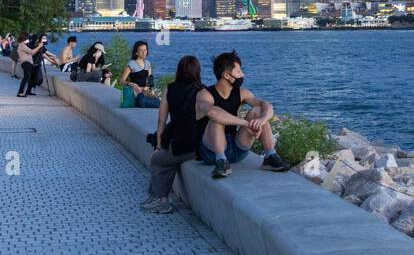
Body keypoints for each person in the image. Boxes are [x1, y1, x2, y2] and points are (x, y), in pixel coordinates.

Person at [195, 51, 291, 179]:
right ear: (227, 75)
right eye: (239, 72)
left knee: (257, 110)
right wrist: (246, 123)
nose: (243, 75)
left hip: (237, 149)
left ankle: (270, 156)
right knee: (217, 118)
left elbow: (266, 105)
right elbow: (213, 112)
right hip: (211, 152)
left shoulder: (242, 93)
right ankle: (221, 162)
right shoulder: (204, 94)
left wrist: (261, 120)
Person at [142, 55, 205, 213]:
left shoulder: (170, 88)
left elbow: (161, 122)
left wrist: (158, 145)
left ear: (179, 70)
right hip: (199, 145)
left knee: (157, 159)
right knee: (167, 160)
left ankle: (161, 200)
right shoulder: (203, 91)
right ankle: (157, 196)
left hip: (181, 144)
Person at [121, 40, 159, 108]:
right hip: (135, 94)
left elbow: (150, 79)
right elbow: (122, 81)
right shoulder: (131, 64)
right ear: (136, 52)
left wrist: (148, 88)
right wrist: (133, 84)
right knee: (143, 101)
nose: (144, 52)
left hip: (145, 93)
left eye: (145, 50)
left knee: (160, 101)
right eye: (141, 50)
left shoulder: (148, 63)